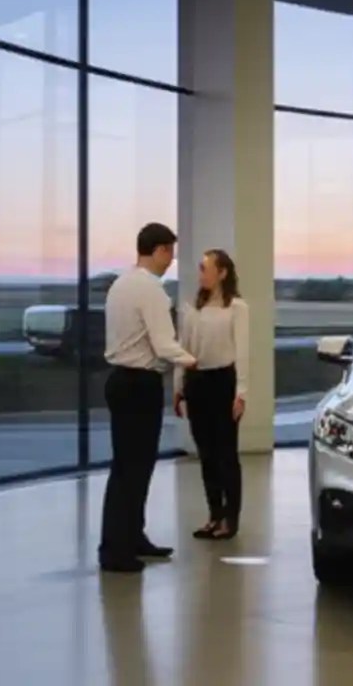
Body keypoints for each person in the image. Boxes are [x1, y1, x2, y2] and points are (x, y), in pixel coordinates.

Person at [99, 223, 197, 573]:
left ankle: (130, 538)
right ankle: (115, 551)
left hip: (120, 381)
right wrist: (192, 359)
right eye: (169, 251)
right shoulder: (152, 290)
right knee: (134, 469)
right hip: (140, 383)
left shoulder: (120, 285)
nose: (171, 260)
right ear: (157, 250)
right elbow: (163, 344)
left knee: (127, 466)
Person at [174, 249, 249, 540]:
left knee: (226, 455)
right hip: (197, 382)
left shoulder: (237, 308)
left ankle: (231, 519)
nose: (201, 274)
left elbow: (242, 352)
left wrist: (241, 393)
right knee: (206, 454)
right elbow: (185, 348)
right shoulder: (194, 308)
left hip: (223, 382)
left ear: (222, 273)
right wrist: (179, 387)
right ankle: (214, 515)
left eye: (206, 268)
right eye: (200, 268)